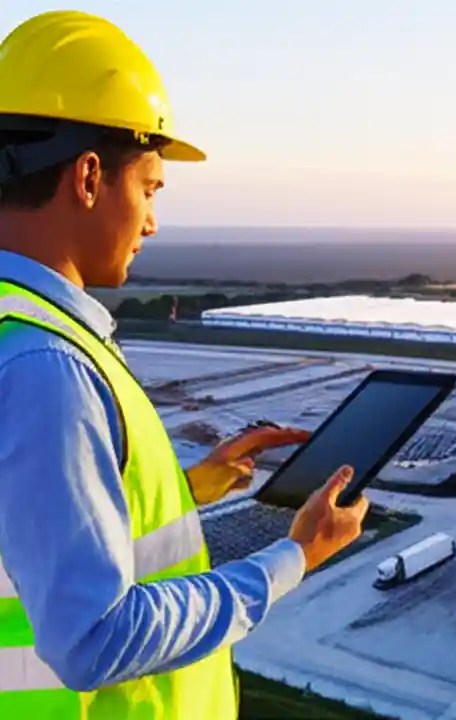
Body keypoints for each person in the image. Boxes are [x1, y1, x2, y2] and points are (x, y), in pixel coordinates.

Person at [0, 10, 369, 718]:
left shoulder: (17, 332)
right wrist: (293, 557)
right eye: (149, 189)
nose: (152, 222)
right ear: (87, 177)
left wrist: (190, 487)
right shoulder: (46, 364)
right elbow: (93, 640)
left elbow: (30, 522)